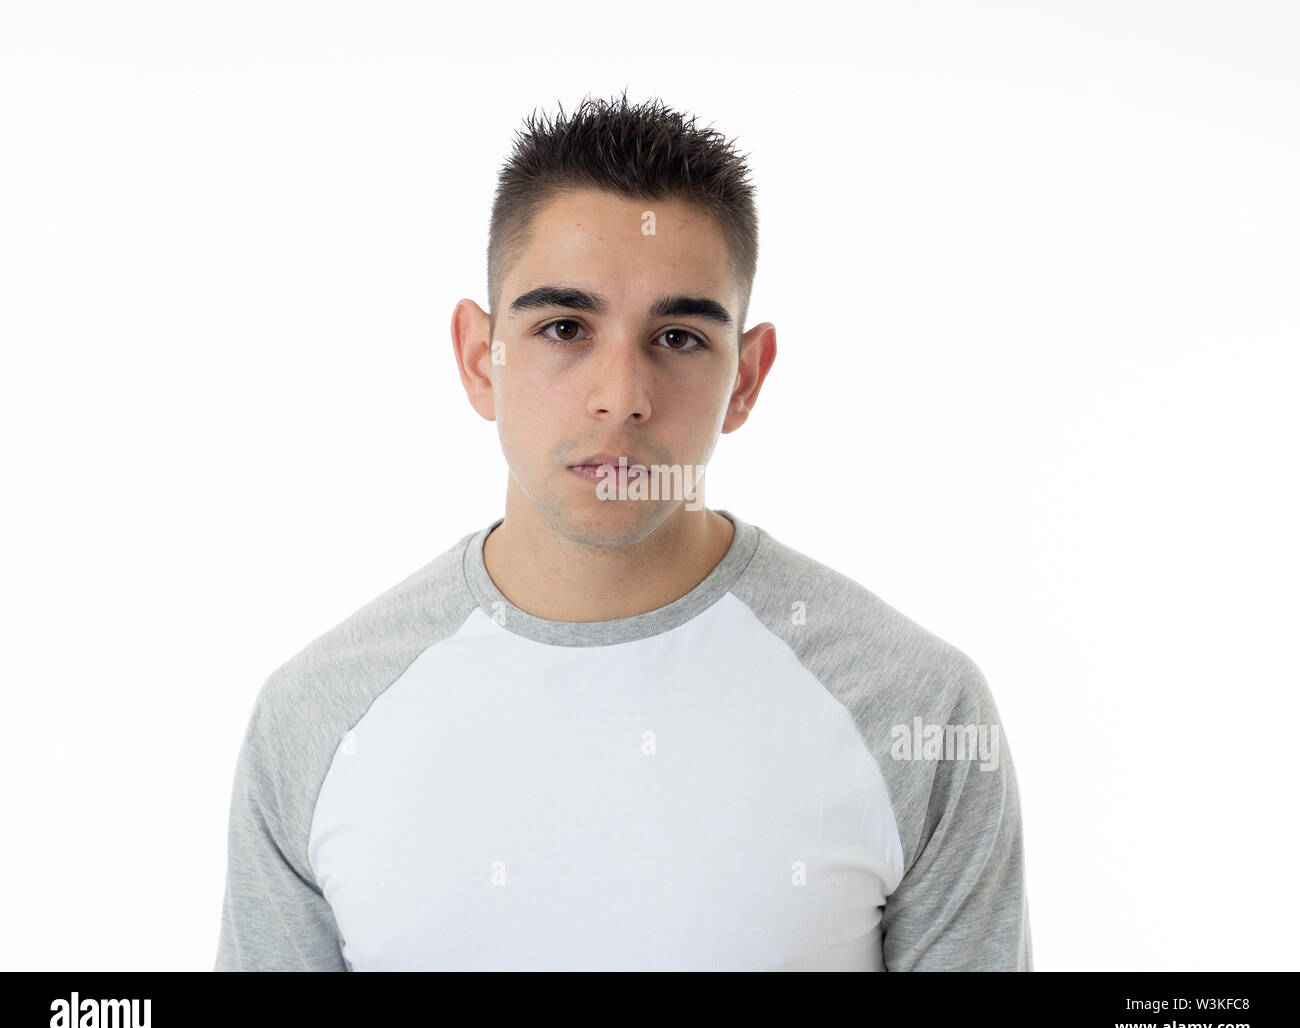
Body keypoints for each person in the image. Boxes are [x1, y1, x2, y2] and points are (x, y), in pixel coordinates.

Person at [214, 91, 1032, 972]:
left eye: (677, 337)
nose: (622, 395)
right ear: (476, 358)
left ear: (747, 378)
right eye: (564, 328)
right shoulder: (318, 718)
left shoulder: (916, 707)